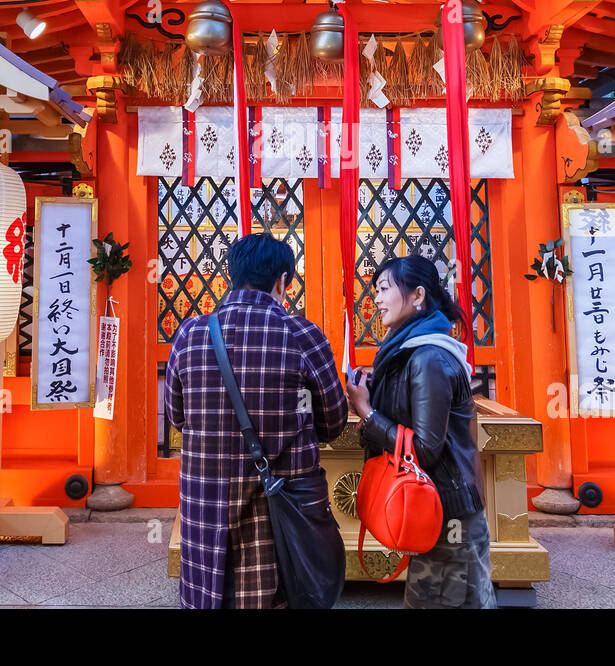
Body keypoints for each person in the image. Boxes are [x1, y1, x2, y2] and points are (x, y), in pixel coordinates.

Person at [165, 232, 348, 609]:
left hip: (207, 500)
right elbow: (334, 423)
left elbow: (177, 417)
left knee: (211, 592)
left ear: (232, 274)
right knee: (275, 593)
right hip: (281, 504)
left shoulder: (191, 334)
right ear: (283, 280)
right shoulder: (303, 335)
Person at [345, 254, 496, 609]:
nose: (377, 299)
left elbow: (426, 449)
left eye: (384, 289)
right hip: (434, 508)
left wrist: (366, 411)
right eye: (376, 290)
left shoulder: (429, 358)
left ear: (417, 296)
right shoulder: (408, 351)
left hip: (449, 512)